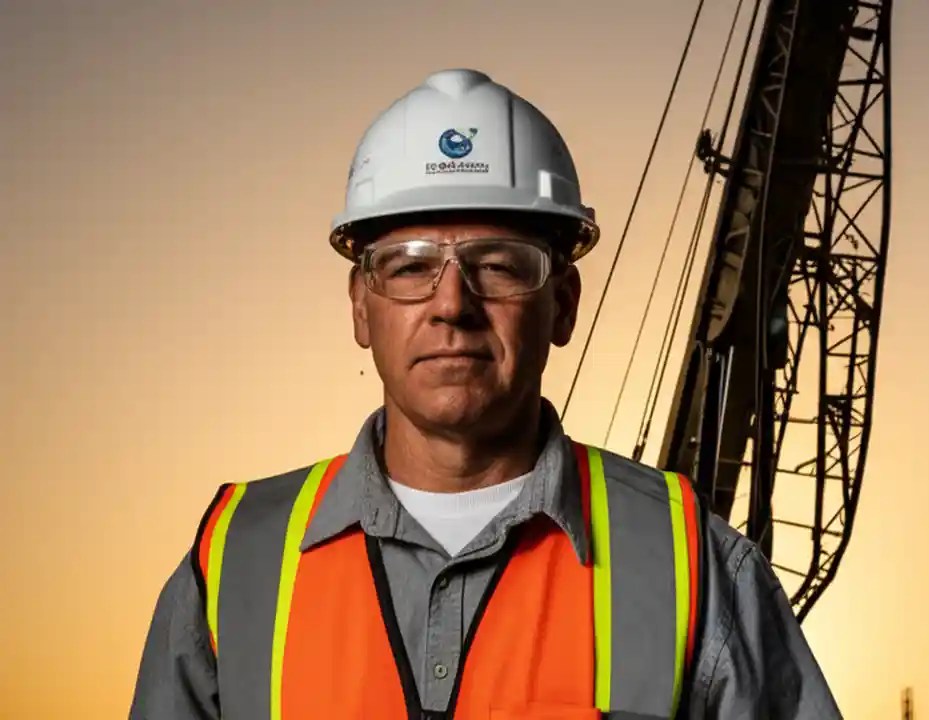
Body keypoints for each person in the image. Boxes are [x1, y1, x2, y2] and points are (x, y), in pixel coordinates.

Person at [129, 68, 842, 720]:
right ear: (360, 306)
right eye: (409, 269)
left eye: (498, 265)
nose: (451, 305)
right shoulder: (235, 567)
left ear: (562, 304)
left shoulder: (694, 567)